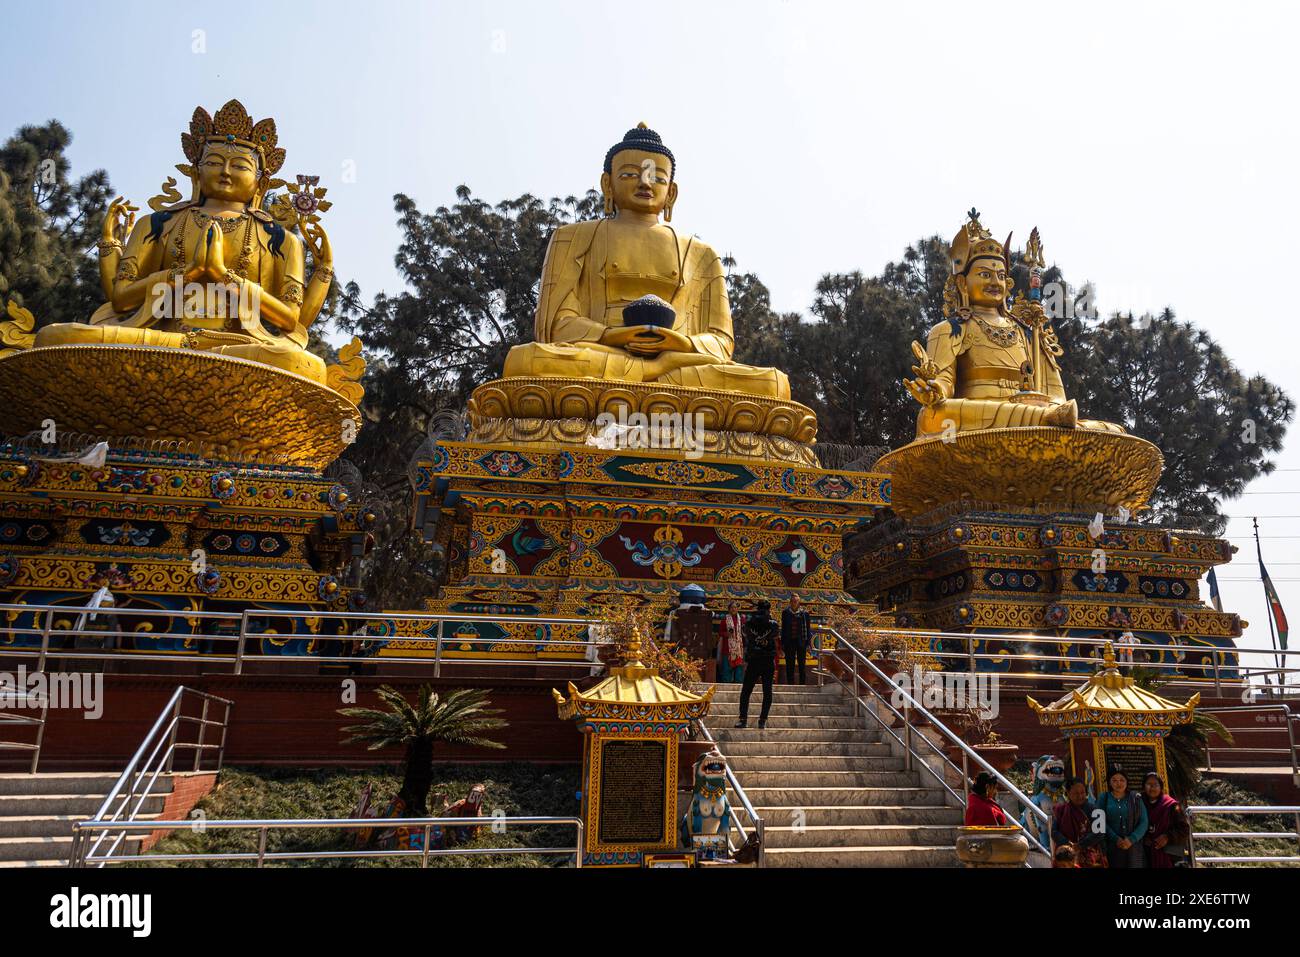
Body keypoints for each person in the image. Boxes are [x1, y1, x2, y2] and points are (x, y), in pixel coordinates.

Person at [736, 600, 779, 729]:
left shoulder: (749, 623)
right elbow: (775, 634)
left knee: (746, 691)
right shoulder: (773, 624)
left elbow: (745, 633)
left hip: (754, 659)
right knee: (767, 691)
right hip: (767, 660)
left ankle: (743, 719)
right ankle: (762, 720)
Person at [1098, 767, 1147, 867]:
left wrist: (1132, 839)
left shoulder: (1135, 798)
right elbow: (1100, 822)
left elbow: (1144, 821)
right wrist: (1116, 839)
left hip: (1134, 847)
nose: (1118, 783)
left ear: (1127, 781)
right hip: (1112, 848)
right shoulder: (1104, 797)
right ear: (1109, 782)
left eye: (1122, 780)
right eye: (1114, 780)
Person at [1142, 772, 1189, 868]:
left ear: (1161, 787)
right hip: (1145, 853)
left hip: (1167, 854)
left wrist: (1167, 837)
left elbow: (1184, 829)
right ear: (1143, 787)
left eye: (1156, 784)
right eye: (1149, 784)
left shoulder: (1171, 805)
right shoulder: (1139, 803)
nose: (1152, 788)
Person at [780, 594, 812, 685]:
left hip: (801, 641)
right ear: (790, 602)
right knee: (790, 664)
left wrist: (808, 643)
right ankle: (790, 683)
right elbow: (783, 628)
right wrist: (782, 643)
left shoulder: (805, 614)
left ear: (799, 602)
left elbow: (808, 629)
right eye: (793, 601)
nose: (794, 603)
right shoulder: (785, 613)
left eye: (796, 601)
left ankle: (802, 683)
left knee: (802, 664)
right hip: (789, 642)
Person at [717, 601, 745, 684]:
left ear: (737, 609)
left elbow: (744, 631)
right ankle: (726, 682)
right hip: (728, 648)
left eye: (735, 607)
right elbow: (720, 632)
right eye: (732, 607)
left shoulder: (741, 620)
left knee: (739, 666)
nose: (734, 609)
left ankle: (738, 682)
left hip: (738, 648)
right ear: (729, 609)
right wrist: (726, 634)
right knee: (727, 667)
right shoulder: (725, 620)